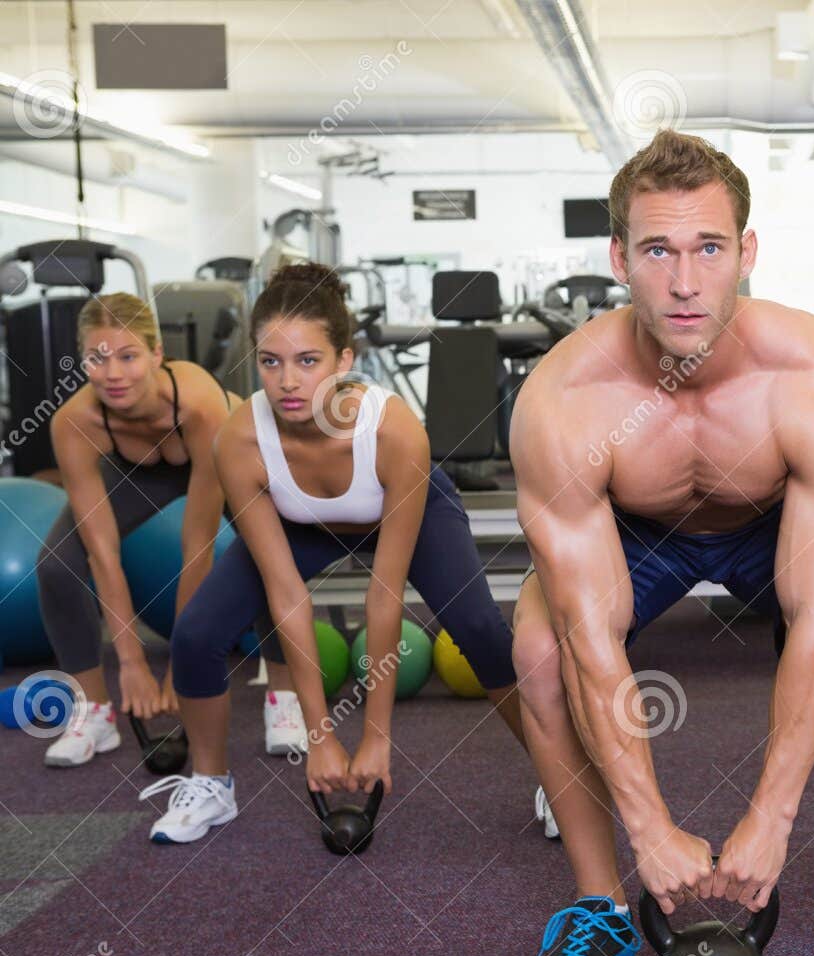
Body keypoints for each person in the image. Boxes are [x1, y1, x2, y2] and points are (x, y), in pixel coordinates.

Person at [511, 129, 814, 956]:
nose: (684, 280)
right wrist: (651, 829)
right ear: (619, 258)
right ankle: (598, 906)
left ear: (747, 252)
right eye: (657, 251)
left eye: (708, 248)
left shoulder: (812, 372)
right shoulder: (563, 398)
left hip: (766, 520)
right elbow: (591, 640)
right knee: (542, 648)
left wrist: (770, 819)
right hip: (638, 530)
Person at [144, 263, 529, 844]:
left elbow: (385, 597)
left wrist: (376, 736)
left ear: (344, 360)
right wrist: (319, 736)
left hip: (405, 510)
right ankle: (210, 783)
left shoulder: (394, 431)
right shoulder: (239, 440)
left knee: (479, 628)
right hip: (305, 523)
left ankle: (561, 780)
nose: (287, 381)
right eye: (270, 362)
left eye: (307, 361)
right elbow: (286, 597)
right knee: (197, 633)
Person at [37, 293, 304, 768]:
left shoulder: (199, 404)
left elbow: (198, 547)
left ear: (157, 354)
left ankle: (283, 697)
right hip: (137, 472)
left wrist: (181, 662)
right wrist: (131, 660)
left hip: (227, 454)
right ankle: (94, 710)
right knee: (58, 564)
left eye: (128, 356)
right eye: (97, 358)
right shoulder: (74, 422)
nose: (113, 373)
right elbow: (103, 552)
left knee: (268, 552)